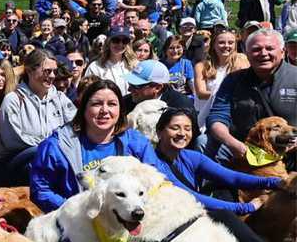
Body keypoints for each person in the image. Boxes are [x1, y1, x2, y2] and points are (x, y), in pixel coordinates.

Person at [152, 108, 294, 242]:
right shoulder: (154, 162)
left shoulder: (191, 156)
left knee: (224, 188)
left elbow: (232, 177)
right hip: (174, 223)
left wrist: (273, 182)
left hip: (195, 215)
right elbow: (190, 196)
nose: (182, 133)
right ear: (159, 132)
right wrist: (244, 208)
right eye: (175, 128)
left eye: (187, 128)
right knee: (225, 216)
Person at [30, 80, 178, 211]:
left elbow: (157, 182)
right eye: (96, 104)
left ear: (120, 110)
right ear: (83, 108)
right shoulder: (57, 145)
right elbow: (41, 191)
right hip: (76, 225)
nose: (105, 111)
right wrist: (77, 211)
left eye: (112, 104)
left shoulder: (136, 143)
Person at [206, 29, 297, 162]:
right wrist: (232, 143)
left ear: (282, 52)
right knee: (203, 141)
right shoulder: (233, 80)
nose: (263, 53)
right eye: (256, 49)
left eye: (269, 48)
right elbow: (217, 117)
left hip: (289, 148)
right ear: (247, 53)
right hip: (243, 148)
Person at [0, 50, 75, 187]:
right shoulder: (13, 100)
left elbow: (74, 128)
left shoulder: (60, 99)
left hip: (52, 158)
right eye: (47, 71)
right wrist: (50, 145)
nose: (52, 76)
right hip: (14, 163)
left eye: (54, 71)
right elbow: (13, 140)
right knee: (39, 154)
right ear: (29, 71)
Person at [194, 28, 248, 129]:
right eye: (221, 43)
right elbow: (201, 93)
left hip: (233, 114)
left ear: (235, 45)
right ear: (214, 45)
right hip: (206, 114)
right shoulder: (201, 66)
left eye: (230, 43)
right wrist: (223, 94)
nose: (226, 46)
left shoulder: (242, 61)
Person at [123, 59, 196, 116]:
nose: (129, 89)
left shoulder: (181, 107)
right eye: (130, 84)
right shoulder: (125, 103)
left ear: (157, 88)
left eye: (136, 86)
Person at [84, 26, 135, 93]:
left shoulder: (134, 66)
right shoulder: (95, 67)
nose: (120, 44)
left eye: (124, 41)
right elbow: (87, 91)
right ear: (108, 42)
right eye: (116, 40)